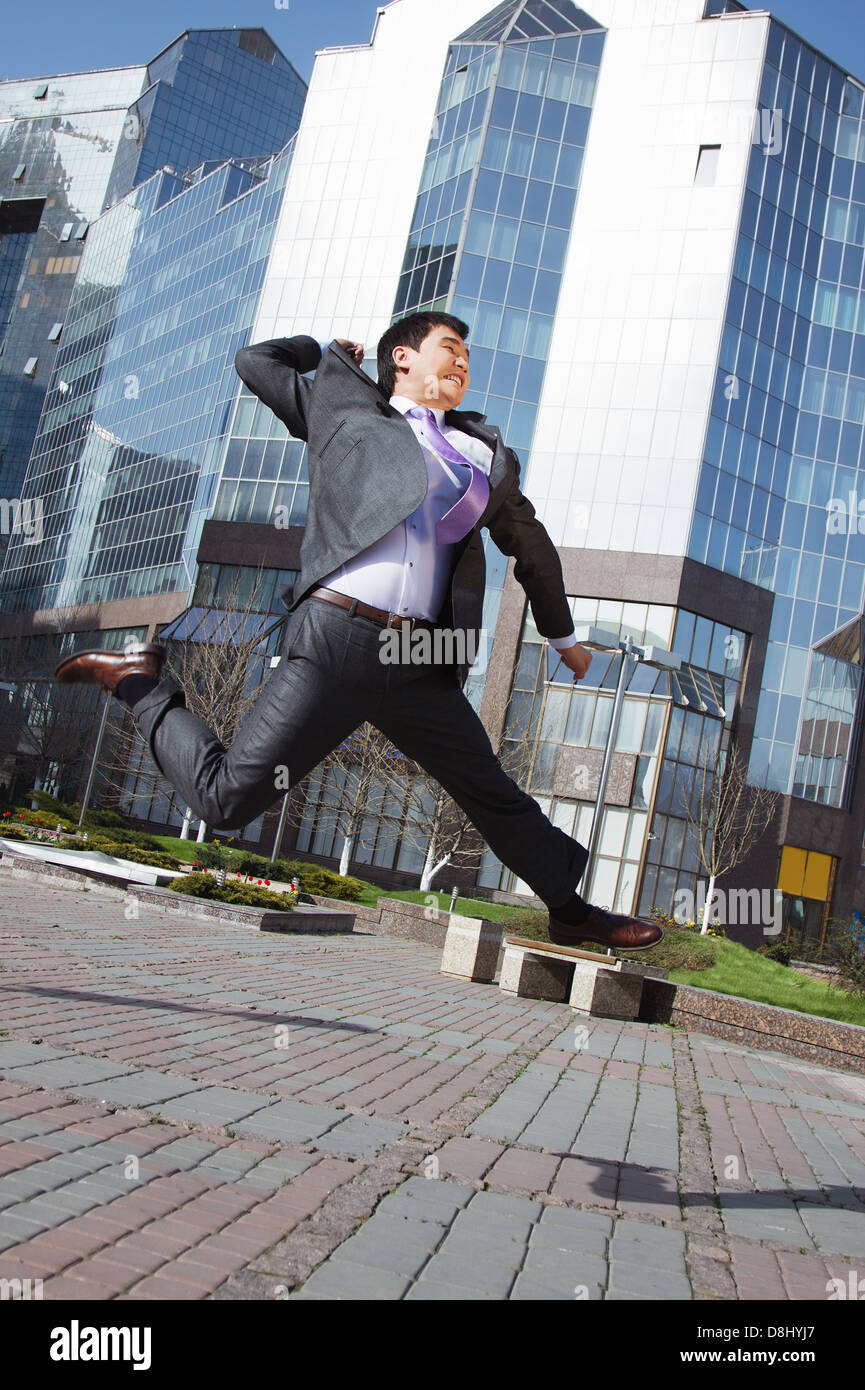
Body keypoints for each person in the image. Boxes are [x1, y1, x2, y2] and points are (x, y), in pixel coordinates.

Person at [56, 312, 662, 951]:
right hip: (336, 636)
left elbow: (530, 545)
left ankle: (568, 911)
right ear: (401, 357)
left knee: (489, 789)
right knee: (228, 801)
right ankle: (141, 684)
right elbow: (254, 363)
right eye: (448, 349)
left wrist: (562, 636)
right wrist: (321, 351)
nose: (461, 364)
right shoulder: (343, 409)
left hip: (420, 656)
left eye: (466, 357)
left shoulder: (483, 452)